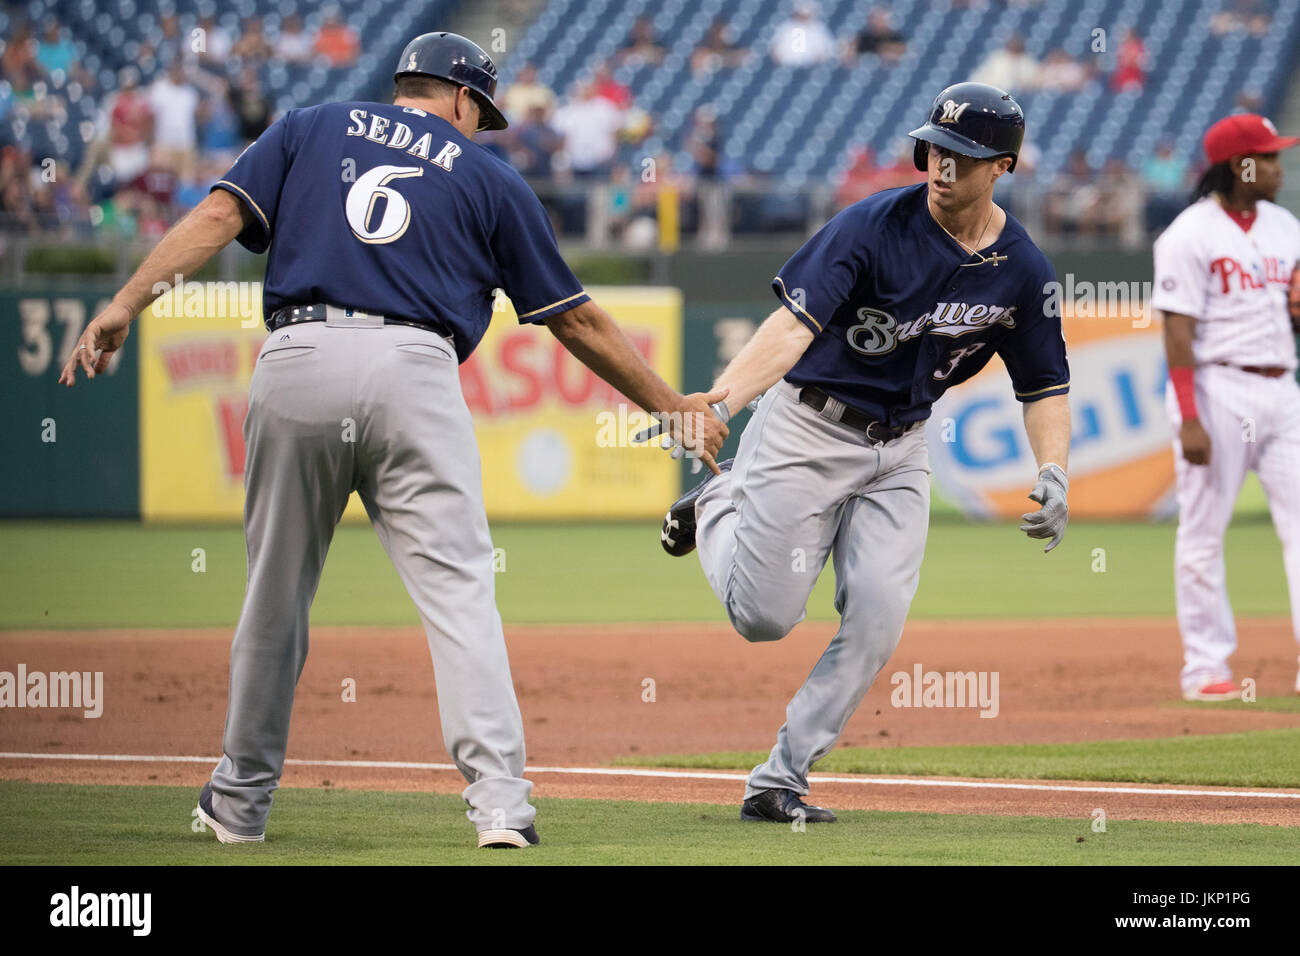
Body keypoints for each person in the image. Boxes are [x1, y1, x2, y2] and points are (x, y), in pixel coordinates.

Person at [58, 32, 728, 849]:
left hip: (298, 355)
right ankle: (501, 807)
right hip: (414, 368)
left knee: (274, 597)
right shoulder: (488, 177)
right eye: (481, 112)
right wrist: (671, 405)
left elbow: (217, 213)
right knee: (459, 593)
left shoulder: (309, 125)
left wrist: (127, 303)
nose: (479, 128)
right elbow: (576, 318)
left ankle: (239, 805)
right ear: (458, 99)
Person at [648, 83, 1070, 822]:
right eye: (935, 150)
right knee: (763, 618)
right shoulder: (871, 226)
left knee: (878, 615)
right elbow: (790, 328)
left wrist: (1054, 469)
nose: (941, 167)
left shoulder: (1022, 269)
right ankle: (717, 500)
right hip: (808, 428)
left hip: (902, 449)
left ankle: (781, 778)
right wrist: (721, 400)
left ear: (1002, 165)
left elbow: (1044, 386)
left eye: (963, 157)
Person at [1151, 112, 1300, 701]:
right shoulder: (1189, 234)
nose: (1277, 166)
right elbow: (1177, 332)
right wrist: (1188, 414)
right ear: (1239, 166)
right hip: (1216, 388)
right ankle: (1206, 667)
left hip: (1283, 386)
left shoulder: (1285, 226)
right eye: (1267, 157)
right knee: (1205, 530)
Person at [770, 1, 835, 67]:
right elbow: (775, 51)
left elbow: (827, 52)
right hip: (787, 67)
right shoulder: (786, 28)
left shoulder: (819, 29)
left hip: (812, 69)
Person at [971, 34, 1040, 93]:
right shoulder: (998, 58)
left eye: (1016, 43)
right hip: (995, 91)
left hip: (1012, 95)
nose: (1014, 45)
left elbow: (1033, 83)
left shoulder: (1027, 62)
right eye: (1012, 43)